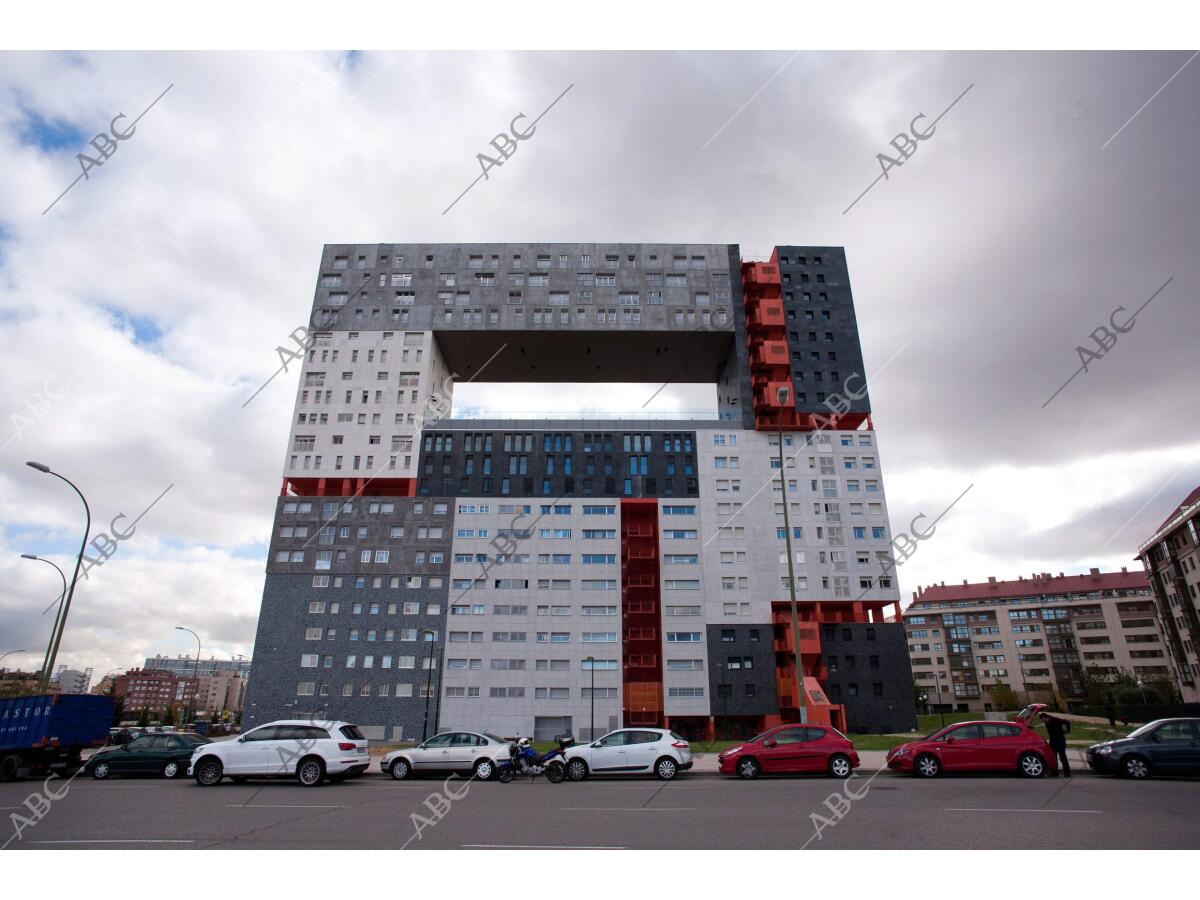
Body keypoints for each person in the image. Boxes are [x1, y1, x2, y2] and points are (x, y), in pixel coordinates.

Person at [1041, 711, 1071, 777]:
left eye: (1044, 720)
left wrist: (1068, 731)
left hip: (1060, 739)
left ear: (1046, 717)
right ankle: (1054, 772)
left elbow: (1067, 722)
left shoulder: (1056, 720)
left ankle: (1067, 772)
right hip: (1053, 740)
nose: (1044, 722)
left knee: (1062, 755)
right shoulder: (1047, 723)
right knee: (1053, 756)